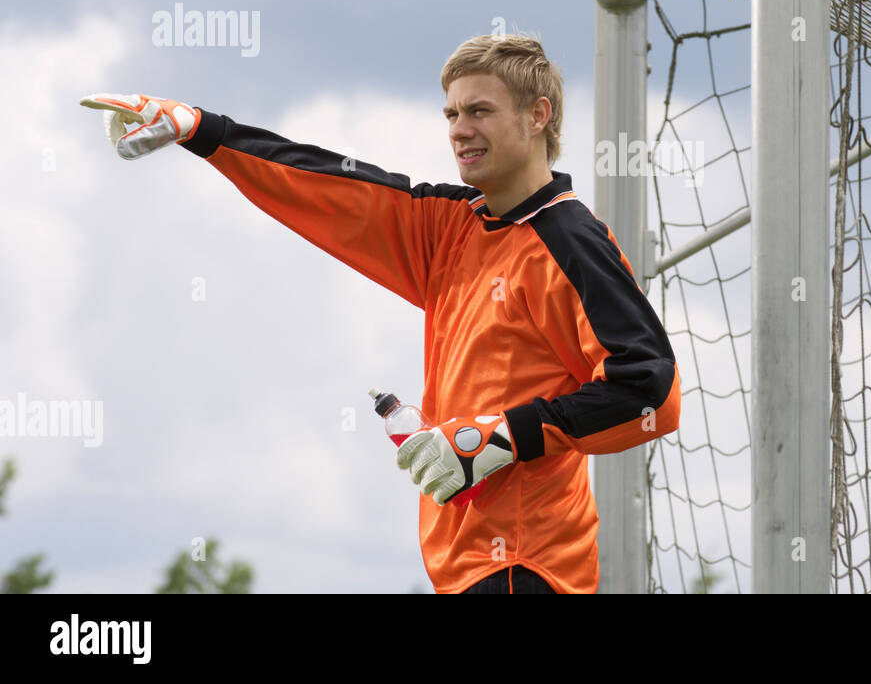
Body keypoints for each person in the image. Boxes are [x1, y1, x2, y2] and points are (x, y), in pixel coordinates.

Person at [79, 33, 682, 594]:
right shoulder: (452, 226)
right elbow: (332, 186)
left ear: (539, 115)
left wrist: (494, 439)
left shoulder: (571, 240)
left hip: (527, 565)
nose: (460, 129)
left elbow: (650, 389)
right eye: (451, 114)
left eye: (480, 111)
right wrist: (203, 131)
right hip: (467, 565)